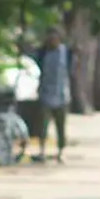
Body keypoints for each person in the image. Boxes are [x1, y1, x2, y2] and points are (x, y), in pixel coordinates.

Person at [35, 27, 71, 162]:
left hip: (62, 95)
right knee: (43, 126)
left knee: (61, 127)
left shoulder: (65, 52)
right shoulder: (42, 53)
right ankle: (42, 151)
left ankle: (61, 151)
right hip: (46, 94)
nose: (52, 41)